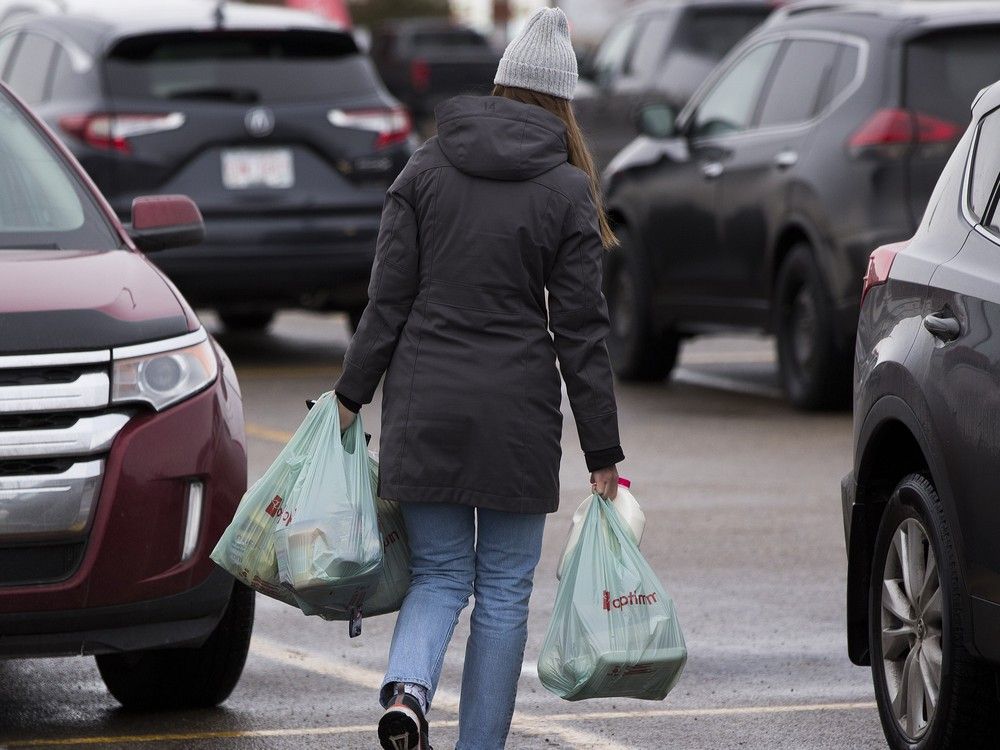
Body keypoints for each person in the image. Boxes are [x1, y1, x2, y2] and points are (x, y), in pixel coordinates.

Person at [333, 8, 624, 749]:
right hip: (516, 420)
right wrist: (603, 452)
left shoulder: (425, 168)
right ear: (564, 103)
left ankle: (406, 691)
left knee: (436, 575)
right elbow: (582, 333)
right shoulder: (566, 192)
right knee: (500, 592)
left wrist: (349, 395)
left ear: (500, 85)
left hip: (425, 406)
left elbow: (386, 300)